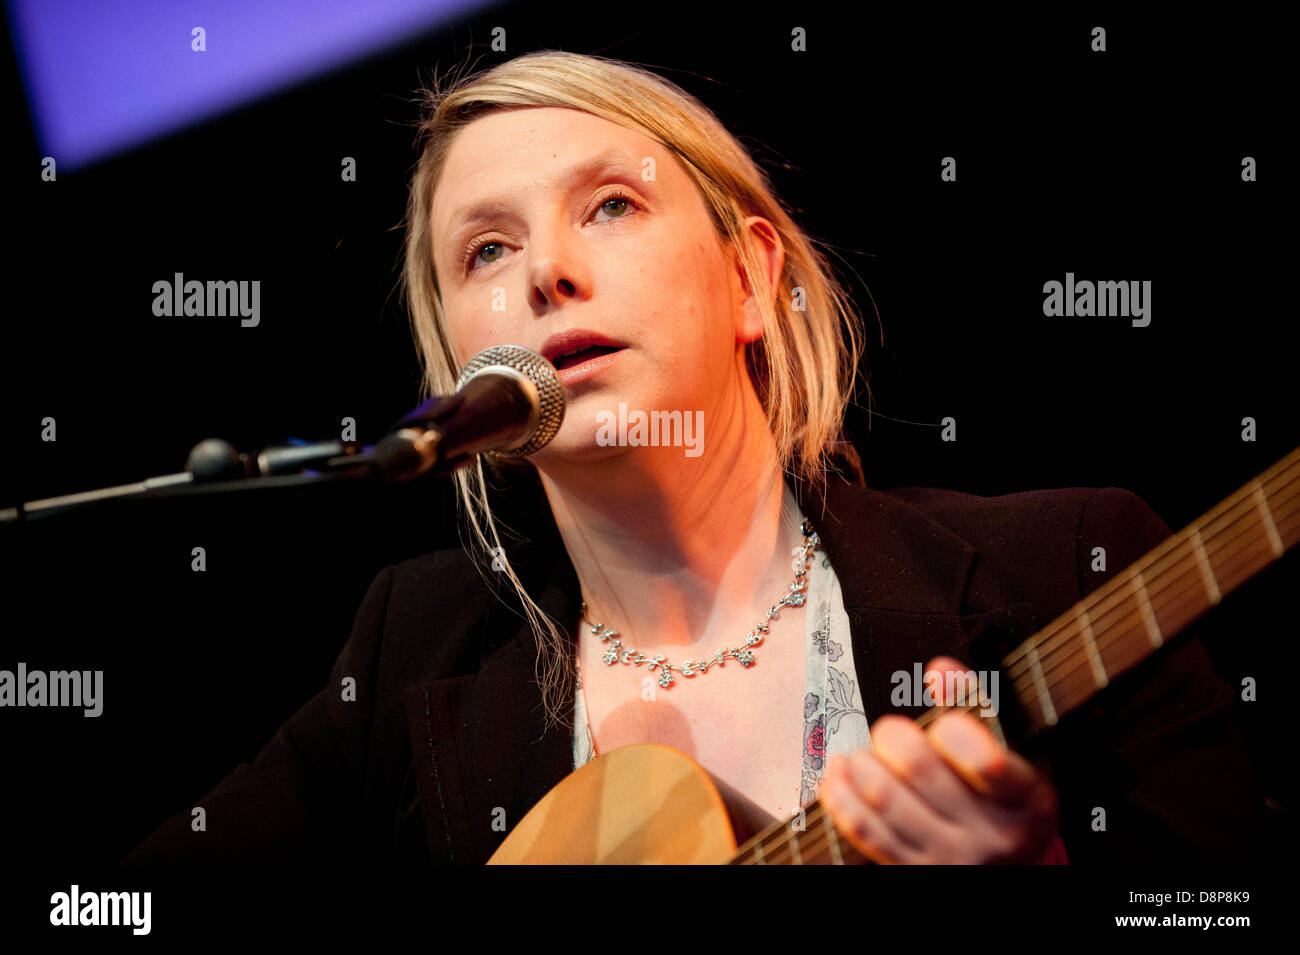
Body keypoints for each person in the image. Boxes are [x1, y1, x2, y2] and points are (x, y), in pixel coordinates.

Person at [125, 50, 1271, 865]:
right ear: (457, 361)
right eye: (485, 248)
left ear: (749, 279)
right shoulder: (411, 646)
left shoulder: (1064, 559)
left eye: (613, 205)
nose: (547, 275)